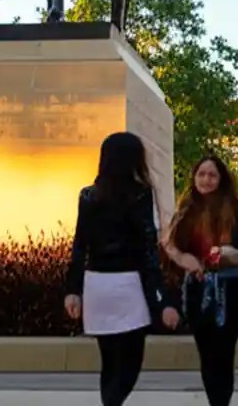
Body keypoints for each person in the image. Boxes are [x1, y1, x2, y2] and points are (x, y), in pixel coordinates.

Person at [64, 132, 180, 406]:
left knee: (109, 363)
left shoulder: (88, 195)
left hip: (96, 286)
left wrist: (73, 290)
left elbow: (80, 245)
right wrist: (161, 299)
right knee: (129, 365)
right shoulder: (140, 195)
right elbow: (147, 251)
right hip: (129, 285)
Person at [164, 155, 238, 406]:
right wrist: (186, 259)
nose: (206, 180)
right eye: (202, 174)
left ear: (221, 179)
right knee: (206, 353)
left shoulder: (237, 211)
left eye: (212, 175)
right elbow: (169, 247)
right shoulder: (186, 211)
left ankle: (220, 402)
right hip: (199, 290)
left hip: (232, 289)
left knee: (225, 354)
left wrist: (233, 256)